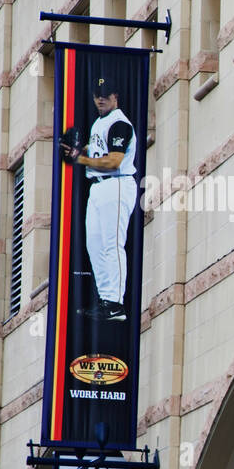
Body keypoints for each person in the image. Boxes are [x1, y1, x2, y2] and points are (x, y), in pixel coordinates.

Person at [60, 76, 138, 321]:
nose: (100, 99)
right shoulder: (99, 122)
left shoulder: (119, 123)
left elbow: (113, 161)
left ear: (115, 96)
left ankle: (116, 303)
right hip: (98, 188)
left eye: (106, 94)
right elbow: (96, 150)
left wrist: (79, 159)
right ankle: (107, 301)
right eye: (97, 95)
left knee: (112, 244)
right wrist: (78, 150)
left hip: (116, 184)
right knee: (95, 245)